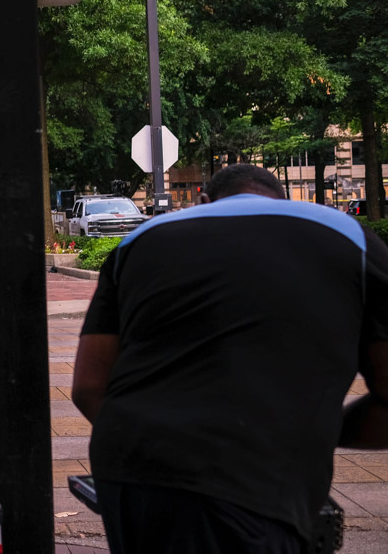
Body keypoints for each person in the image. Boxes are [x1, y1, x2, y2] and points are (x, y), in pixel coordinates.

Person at [72, 163, 388, 553]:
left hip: (130, 473)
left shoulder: (139, 241)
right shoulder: (352, 238)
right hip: (257, 483)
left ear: (204, 201)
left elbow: (88, 387)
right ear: (283, 202)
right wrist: (314, 433)